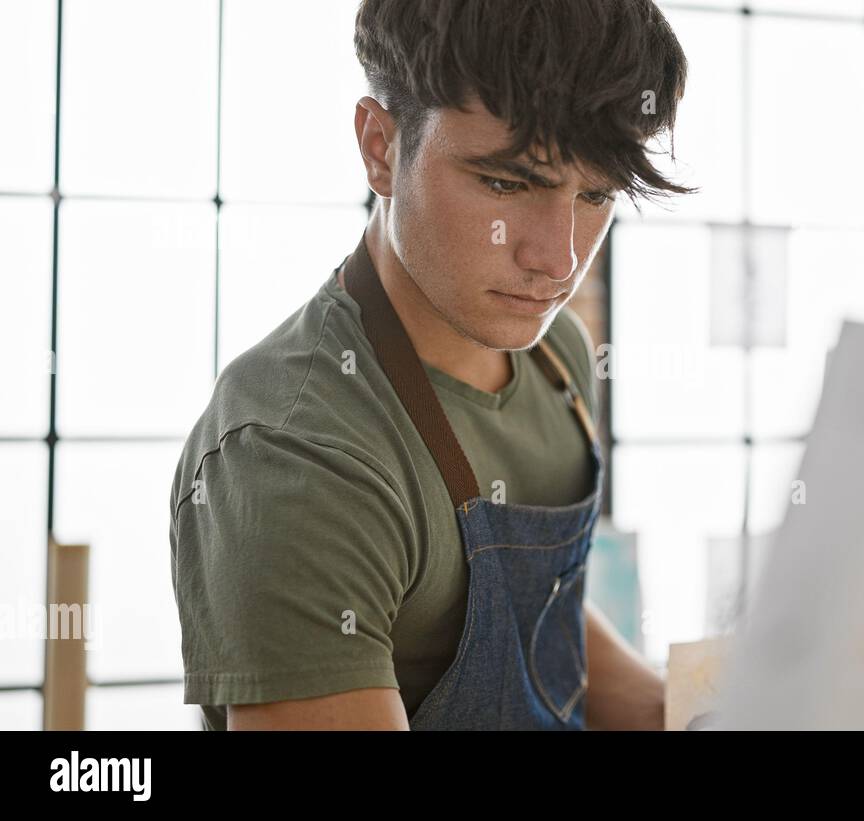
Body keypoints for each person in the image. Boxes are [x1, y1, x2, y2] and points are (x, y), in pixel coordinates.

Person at [169, 0, 693, 730]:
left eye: (596, 194)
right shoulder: (293, 455)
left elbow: (537, 615)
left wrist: (692, 711)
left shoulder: (556, 356)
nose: (560, 259)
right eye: (508, 184)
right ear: (381, 148)